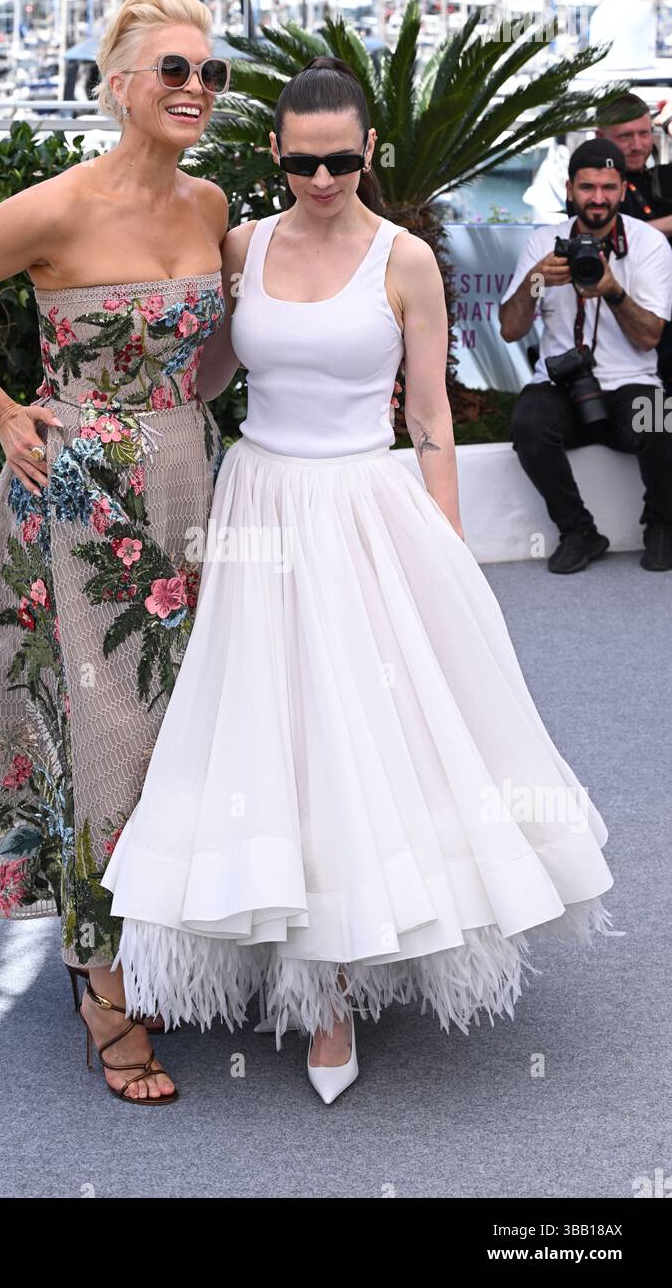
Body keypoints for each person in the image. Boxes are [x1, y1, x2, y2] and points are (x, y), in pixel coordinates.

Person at [100, 57, 617, 1105]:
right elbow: (208, 375)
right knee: (267, 731)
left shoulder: (406, 258)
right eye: (301, 161)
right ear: (277, 157)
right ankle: (312, 985)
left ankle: (345, 964)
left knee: (360, 736)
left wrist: (443, 551)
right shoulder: (242, 243)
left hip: (358, 508)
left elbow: (427, 414)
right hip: (254, 508)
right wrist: (115, 375)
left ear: (367, 152)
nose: (322, 178)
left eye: (340, 159)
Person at [0, 0, 233, 1103]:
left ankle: (164, 938)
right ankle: (101, 986)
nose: (194, 90)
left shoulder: (209, 206)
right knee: (107, 736)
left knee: (186, 727)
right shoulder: (54, 208)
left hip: (190, 482)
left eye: (209, 74)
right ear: (120, 85)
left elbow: (214, 358)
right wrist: (3, 411)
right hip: (80, 503)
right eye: (172, 71)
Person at [501, 137, 672, 575]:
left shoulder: (648, 244)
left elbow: (650, 337)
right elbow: (510, 329)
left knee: (662, 418)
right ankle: (578, 531)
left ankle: (661, 527)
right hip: (560, 383)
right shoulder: (543, 242)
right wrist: (535, 282)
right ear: (570, 188)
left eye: (608, 187)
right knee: (529, 422)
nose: (598, 198)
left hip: (628, 383)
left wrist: (613, 291)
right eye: (587, 187)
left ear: (622, 188)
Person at [592, 94, 672, 392]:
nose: (638, 145)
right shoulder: (594, 186)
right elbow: (606, 235)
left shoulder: (660, 176)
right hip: (630, 323)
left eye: (645, 132)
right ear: (601, 137)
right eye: (626, 136)